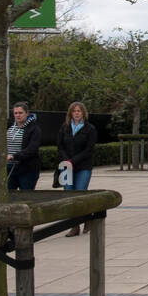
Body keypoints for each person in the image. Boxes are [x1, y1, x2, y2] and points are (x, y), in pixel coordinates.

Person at [57, 101, 98, 237]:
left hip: (83, 166)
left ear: (83, 113)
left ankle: (87, 218)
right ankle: (74, 226)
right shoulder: (64, 128)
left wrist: (72, 161)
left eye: (79, 111)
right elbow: (60, 146)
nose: (76, 113)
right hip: (67, 167)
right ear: (70, 113)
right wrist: (66, 160)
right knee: (69, 194)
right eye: (74, 111)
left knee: (80, 194)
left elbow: (88, 150)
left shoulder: (89, 129)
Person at [6, 101, 41, 190]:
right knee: (9, 194)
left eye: (20, 113)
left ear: (27, 113)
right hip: (9, 167)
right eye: (16, 113)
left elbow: (32, 148)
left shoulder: (34, 128)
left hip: (27, 169)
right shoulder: (9, 126)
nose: (18, 115)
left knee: (25, 195)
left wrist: (14, 156)